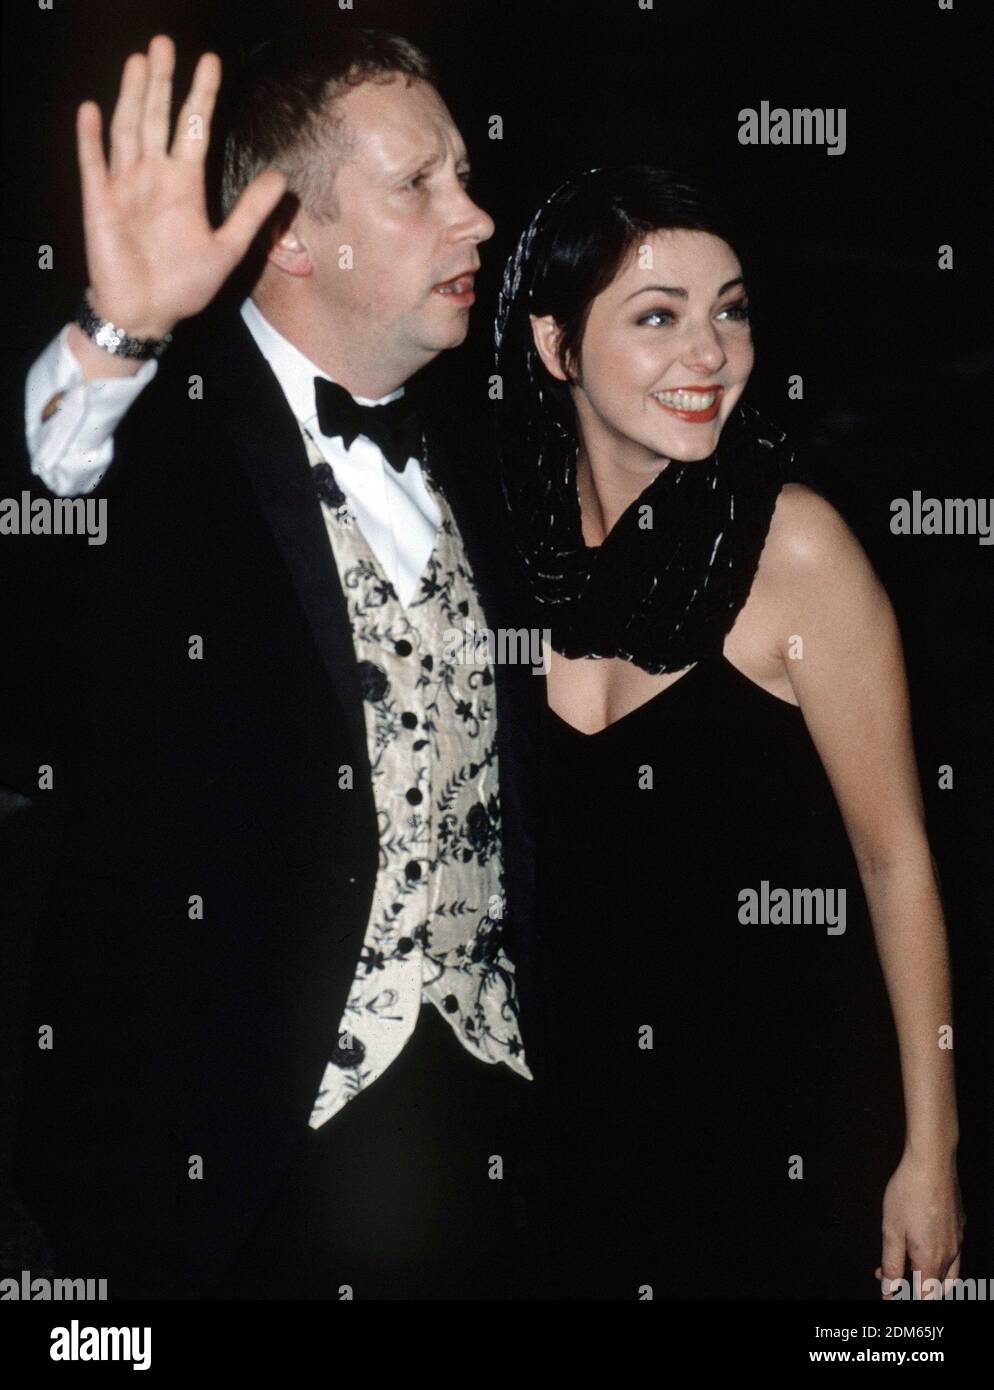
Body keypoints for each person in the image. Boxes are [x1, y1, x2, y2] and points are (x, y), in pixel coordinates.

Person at [3, 28, 546, 1300]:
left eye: (464, 173)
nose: (473, 216)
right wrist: (113, 342)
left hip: (480, 1129)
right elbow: (35, 579)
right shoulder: (163, 448)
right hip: (216, 1165)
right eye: (418, 184)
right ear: (292, 237)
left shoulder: (479, 439)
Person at [493, 166, 965, 1300]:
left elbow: (895, 860)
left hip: (783, 1135)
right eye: (658, 317)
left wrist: (931, 1154)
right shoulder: (499, 552)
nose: (710, 353)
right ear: (555, 348)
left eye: (731, 309)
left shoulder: (797, 551)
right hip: (559, 1141)